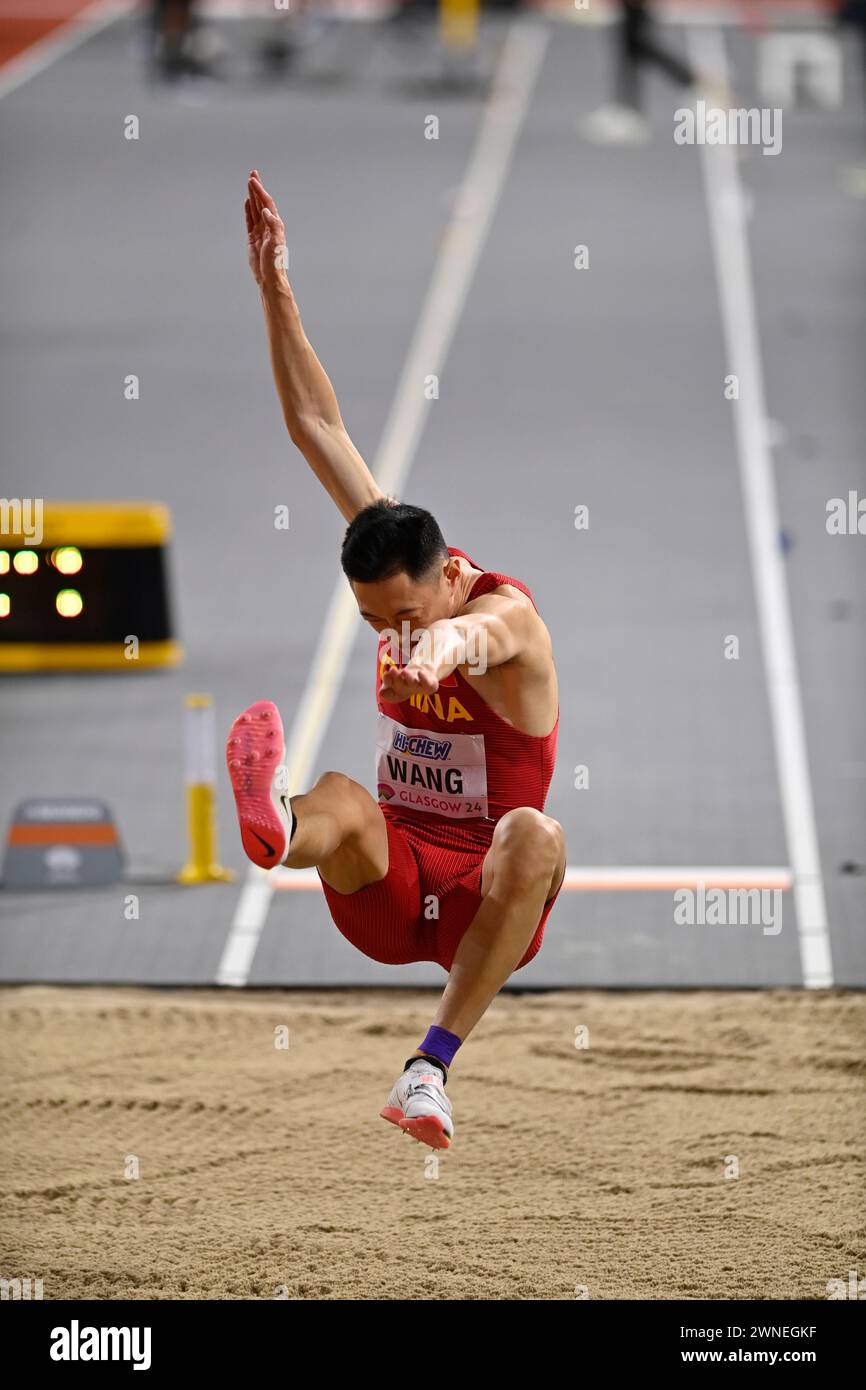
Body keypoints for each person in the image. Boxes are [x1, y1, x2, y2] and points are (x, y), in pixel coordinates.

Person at [227, 171, 566, 1150]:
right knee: (336, 793)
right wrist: (274, 286)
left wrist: (439, 648)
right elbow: (316, 427)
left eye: (404, 616)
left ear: (448, 578)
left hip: (481, 902)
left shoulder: (498, 621)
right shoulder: (396, 568)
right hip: (390, 877)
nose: (391, 636)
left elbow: (478, 638)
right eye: (372, 623)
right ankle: (270, 830)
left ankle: (429, 1068)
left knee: (537, 834)